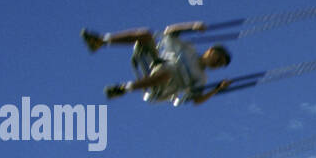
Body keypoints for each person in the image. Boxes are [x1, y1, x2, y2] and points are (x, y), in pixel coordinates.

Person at [81, 22, 232, 105]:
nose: (216, 64)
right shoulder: (188, 49)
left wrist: (217, 89)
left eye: (219, 65)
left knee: (167, 73)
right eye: (218, 59)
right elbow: (169, 31)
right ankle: (102, 41)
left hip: (162, 87)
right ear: (211, 51)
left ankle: (123, 88)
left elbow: (197, 100)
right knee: (146, 34)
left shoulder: (201, 78)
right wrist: (192, 26)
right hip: (155, 65)